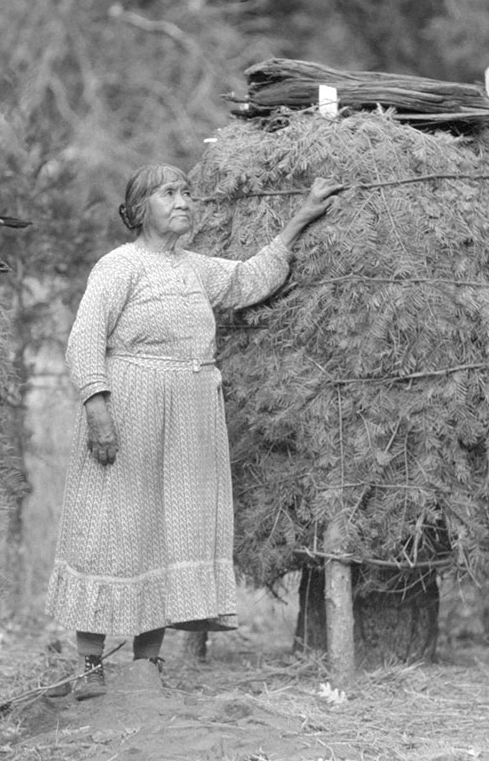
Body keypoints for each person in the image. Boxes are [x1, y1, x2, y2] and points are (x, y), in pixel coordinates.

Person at [46, 162, 344, 699]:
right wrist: (98, 411)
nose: (183, 201)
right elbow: (85, 338)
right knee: (112, 529)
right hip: (128, 412)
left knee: (165, 532)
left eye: (187, 192)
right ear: (139, 210)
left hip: (188, 418)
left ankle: (146, 666)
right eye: (169, 193)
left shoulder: (195, 269)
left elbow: (251, 278)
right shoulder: (118, 267)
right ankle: (89, 667)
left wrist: (300, 219)